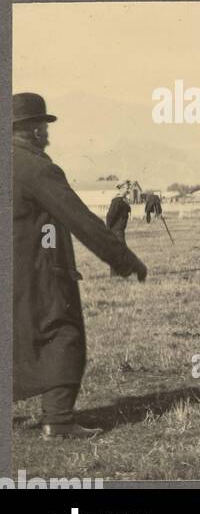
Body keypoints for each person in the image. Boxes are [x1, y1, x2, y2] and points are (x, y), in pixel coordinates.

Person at [13, 92, 149, 439]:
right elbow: (81, 220)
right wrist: (123, 258)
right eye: (44, 127)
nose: (47, 134)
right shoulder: (37, 166)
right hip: (38, 273)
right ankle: (57, 420)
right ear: (36, 131)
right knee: (62, 333)